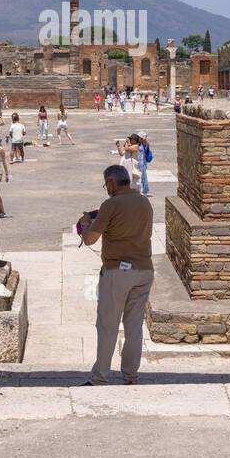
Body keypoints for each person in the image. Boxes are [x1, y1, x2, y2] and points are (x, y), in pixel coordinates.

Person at [78, 164, 155, 386]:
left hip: (119, 271)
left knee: (107, 325)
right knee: (134, 327)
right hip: (144, 270)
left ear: (111, 183)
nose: (106, 189)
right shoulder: (144, 202)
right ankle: (130, 375)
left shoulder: (110, 205)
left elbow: (91, 238)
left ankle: (100, 376)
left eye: (106, 185)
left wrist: (85, 225)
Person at [136, 129, 152, 196]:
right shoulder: (142, 144)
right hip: (140, 163)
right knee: (141, 178)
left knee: (143, 178)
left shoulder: (144, 145)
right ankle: (142, 191)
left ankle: (143, 192)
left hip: (142, 163)